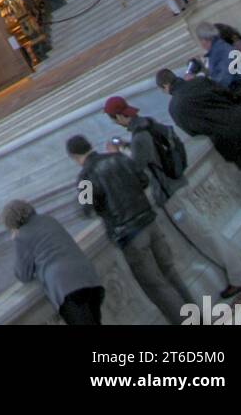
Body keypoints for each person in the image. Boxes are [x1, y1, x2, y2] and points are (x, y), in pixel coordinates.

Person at [102, 94, 241, 299]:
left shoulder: (140, 137)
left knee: (205, 237)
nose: (114, 122)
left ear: (119, 117)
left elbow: (138, 172)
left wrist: (116, 155)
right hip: (178, 183)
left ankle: (239, 277)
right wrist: (126, 147)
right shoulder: (149, 124)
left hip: (170, 193)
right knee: (208, 232)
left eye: (113, 118)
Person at [66, 133, 192, 325]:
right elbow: (144, 180)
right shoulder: (118, 157)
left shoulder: (85, 176)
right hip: (150, 221)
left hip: (129, 235)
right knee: (170, 272)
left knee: (156, 286)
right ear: (90, 144)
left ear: (74, 157)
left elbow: (85, 209)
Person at [156, 67, 241, 216]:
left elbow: (193, 132)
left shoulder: (174, 108)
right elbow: (228, 94)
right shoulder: (200, 82)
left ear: (165, 86)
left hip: (228, 144)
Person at [2, 198, 105, 324]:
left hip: (66, 287)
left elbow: (23, 274)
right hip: (88, 277)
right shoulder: (48, 219)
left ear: (10, 224)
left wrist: (15, 237)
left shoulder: (22, 236)